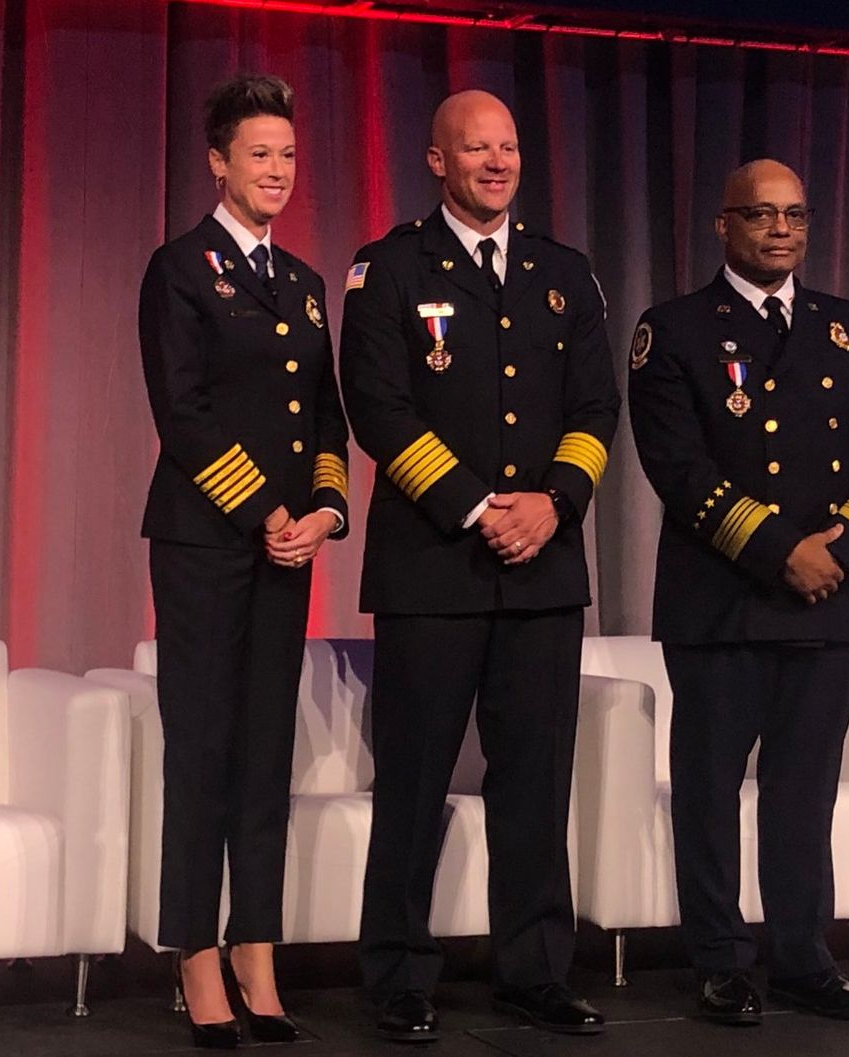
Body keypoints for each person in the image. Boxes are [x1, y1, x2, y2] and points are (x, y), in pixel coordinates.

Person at [338, 89, 619, 1043]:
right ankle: (397, 973)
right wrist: (475, 505)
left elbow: (596, 407)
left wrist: (555, 503)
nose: (497, 163)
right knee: (413, 780)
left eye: (508, 147)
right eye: (476, 149)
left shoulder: (564, 272)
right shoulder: (388, 267)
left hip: (543, 569)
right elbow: (377, 405)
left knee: (536, 783)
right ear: (436, 160)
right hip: (433, 567)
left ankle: (535, 971)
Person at [627, 159, 849, 1025]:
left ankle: (802, 958)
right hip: (722, 601)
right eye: (761, 214)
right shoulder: (674, 329)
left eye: (795, 214)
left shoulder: (848, 327)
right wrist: (781, 549)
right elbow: (677, 465)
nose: (781, 229)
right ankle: (720, 960)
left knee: (804, 792)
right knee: (709, 792)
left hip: (830, 601)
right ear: (724, 225)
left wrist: (845, 544)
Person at [138, 74, 350, 1050]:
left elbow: (326, 418)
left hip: (286, 547)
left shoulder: (303, 283)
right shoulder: (180, 268)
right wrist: (267, 508)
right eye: (259, 153)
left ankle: (256, 949)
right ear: (218, 162)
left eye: (288, 155)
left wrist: (322, 512)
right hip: (204, 541)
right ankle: (194, 954)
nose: (277, 170)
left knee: (267, 750)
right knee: (204, 748)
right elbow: (182, 413)